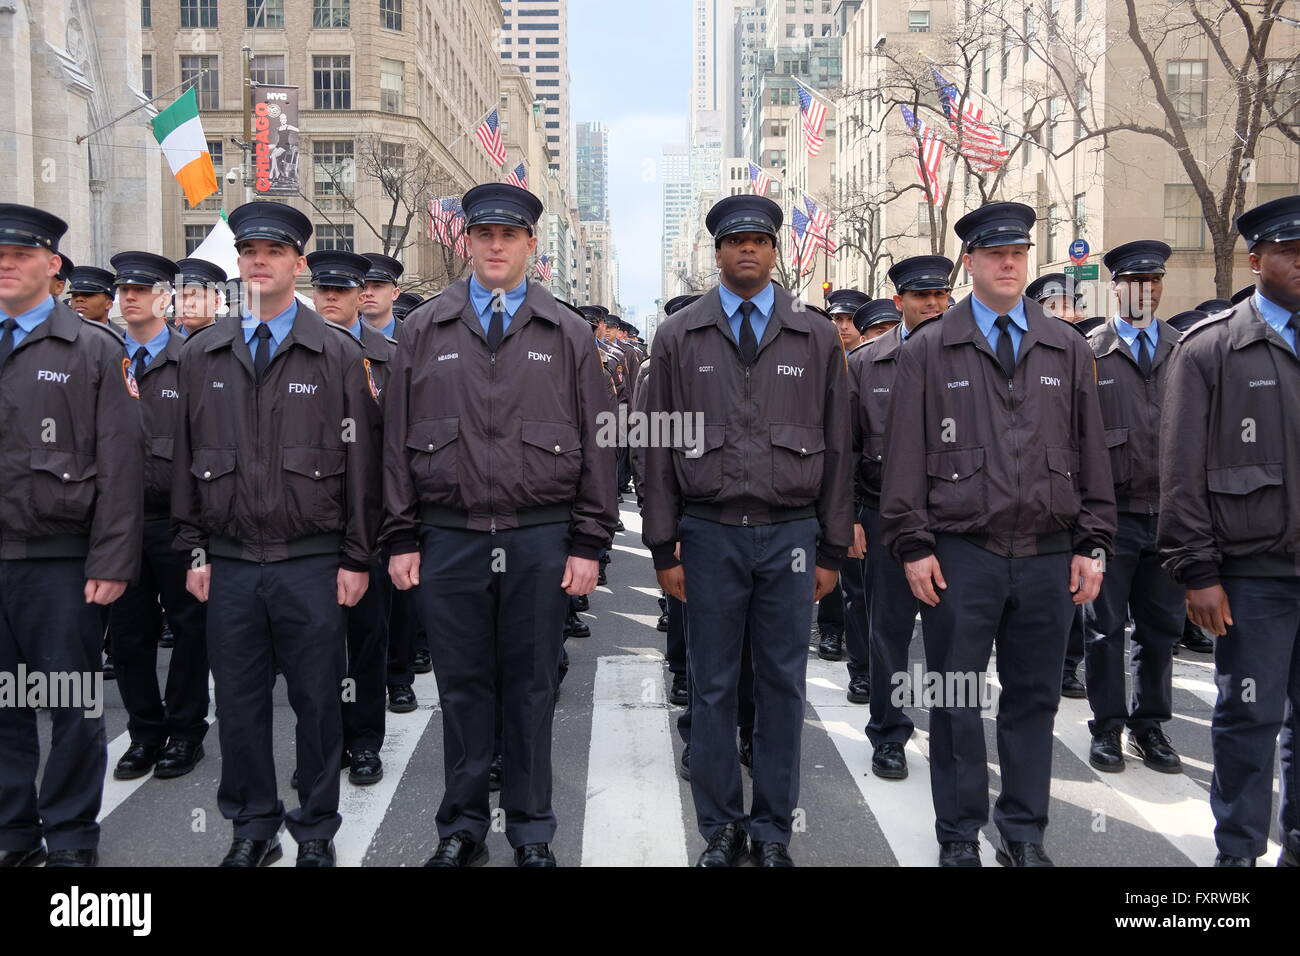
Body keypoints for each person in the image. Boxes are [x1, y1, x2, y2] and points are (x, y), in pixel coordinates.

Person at [383, 183, 617, 868]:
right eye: (483, 233)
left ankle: (531, 829)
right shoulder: (424, 328)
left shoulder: (567, 332)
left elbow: (600, 442)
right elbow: (396, 440)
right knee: (461, 686)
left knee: (532, 686)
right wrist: (399, 535)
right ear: (467, 240)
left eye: (508, 235)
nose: (494, 245)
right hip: (449, 535)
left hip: (538, 536)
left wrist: (589, 541)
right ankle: (460, 827)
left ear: (529, 246)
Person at [881, 202, 1115, 868]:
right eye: (994, 254)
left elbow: (1091, 453)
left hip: (1046, 553)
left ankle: (1022, 831)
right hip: (961, 554)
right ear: (972, 263)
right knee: (956, 700)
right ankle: (958, 833)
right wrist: (913, 546)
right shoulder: (930, 348)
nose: (1009, 264)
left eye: (1018, 253)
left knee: (1033, 699)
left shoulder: (1065, 346)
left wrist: (1093, 543)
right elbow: (902, 459)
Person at [642, 194, 853, 867]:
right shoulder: (679, 336)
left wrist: (832, 547)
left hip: (791, 535)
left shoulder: (815, 336)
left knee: (783, 686)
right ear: (718, 252)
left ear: (775, 250)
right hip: (708, 534)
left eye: (760, 240)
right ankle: (720, 827)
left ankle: (771, 832)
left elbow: (840, 447)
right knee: (710, 684)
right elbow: (654, 447)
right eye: (736, 241)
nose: (748, 250)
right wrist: (661, 543)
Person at [172, 201, 383, 867]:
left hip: (311, 562)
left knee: (319, 704)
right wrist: (195, 551)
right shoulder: (203, 353)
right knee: (237, 705)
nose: (258, 260)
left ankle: (315, 830)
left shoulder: (337, 354)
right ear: (239, 264)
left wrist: (356, 557)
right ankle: (252, 828)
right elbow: (185, 464)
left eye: (272, 251)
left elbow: (361, 469)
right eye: (248, 251)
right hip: (230, 563)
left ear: (299, 263)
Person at [1159, 194, 1300, 868]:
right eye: (1288, 252)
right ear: (1256, 260)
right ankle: (1237, 859)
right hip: (1252, 579)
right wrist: (1199, 572)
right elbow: (1180, 471)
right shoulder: (1210, 349)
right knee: (1249, 721)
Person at [0, 204, 143, 867]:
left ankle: (71, 837)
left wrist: (113, 558)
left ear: (52, 265)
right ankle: (14, 833)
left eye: (20, 255)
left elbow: (121, 464)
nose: (6, 265)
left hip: (60, 562)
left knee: (69, 706)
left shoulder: (91, 348)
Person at [106, 251, 211, 782]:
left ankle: (186, 731)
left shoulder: (190, 357)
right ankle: (145, 732)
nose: (128, 298)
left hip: (178, 521)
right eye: (123, 290)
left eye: (140, 290)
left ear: (163, 298)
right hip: (117, 524)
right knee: (129, 635)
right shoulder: (104, 355)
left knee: (191, 630)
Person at [1083, 240, 1184, 775]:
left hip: (1169, 517)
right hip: (1109, 520)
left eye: (1153, 282)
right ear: (1115, 288)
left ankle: (1151, 727)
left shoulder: (1183, 349)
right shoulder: (1089, 351)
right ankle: (1106, 728)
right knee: (1103, 628)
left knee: (1160, 629)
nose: (1144, 291)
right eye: (1133, 283)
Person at [849, 256, 953, 773]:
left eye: (940, 295)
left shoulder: (971, 354)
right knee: (888, 630)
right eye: (921, 297)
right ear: (899, 303)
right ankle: (889, 731)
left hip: (956, 522)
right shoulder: (866, 363)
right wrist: (847, 517)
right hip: (884, 517)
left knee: (952, 639)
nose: (933, 305)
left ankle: (950, 734)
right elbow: (845, 445)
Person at [308, 248, 397, 786]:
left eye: (344, 291)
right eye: (325, 291)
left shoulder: (387, 356)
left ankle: (364, 741)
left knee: (366, 642)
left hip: (372, 522)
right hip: (309, 525)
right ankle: (322, 746)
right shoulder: (292, 353)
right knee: (314, 650)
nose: (334, 299)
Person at [174, 257, 226, 337]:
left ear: (216, 302)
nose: (188, 304)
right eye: (181, 296)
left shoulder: (235, 344)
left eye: (198, 296)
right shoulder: (163, 343)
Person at [359, 253, 404, 338]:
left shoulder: (413, 337)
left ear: (395, 293)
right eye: (363, 287)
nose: (368, 293)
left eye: (377, 286)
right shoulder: (340, 338)